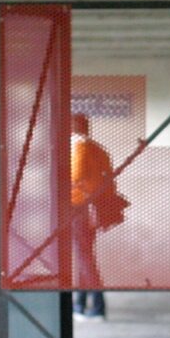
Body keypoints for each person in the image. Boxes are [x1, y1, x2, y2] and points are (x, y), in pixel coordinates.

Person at [70, 113, 113, 319]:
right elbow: (108, 180)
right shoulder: (99, 150)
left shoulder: (79, 145)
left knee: (85, 258)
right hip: (95, 207)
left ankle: (97, 307)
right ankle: (79, 304)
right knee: (84, 256)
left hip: (78, 206)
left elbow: (75, 176)